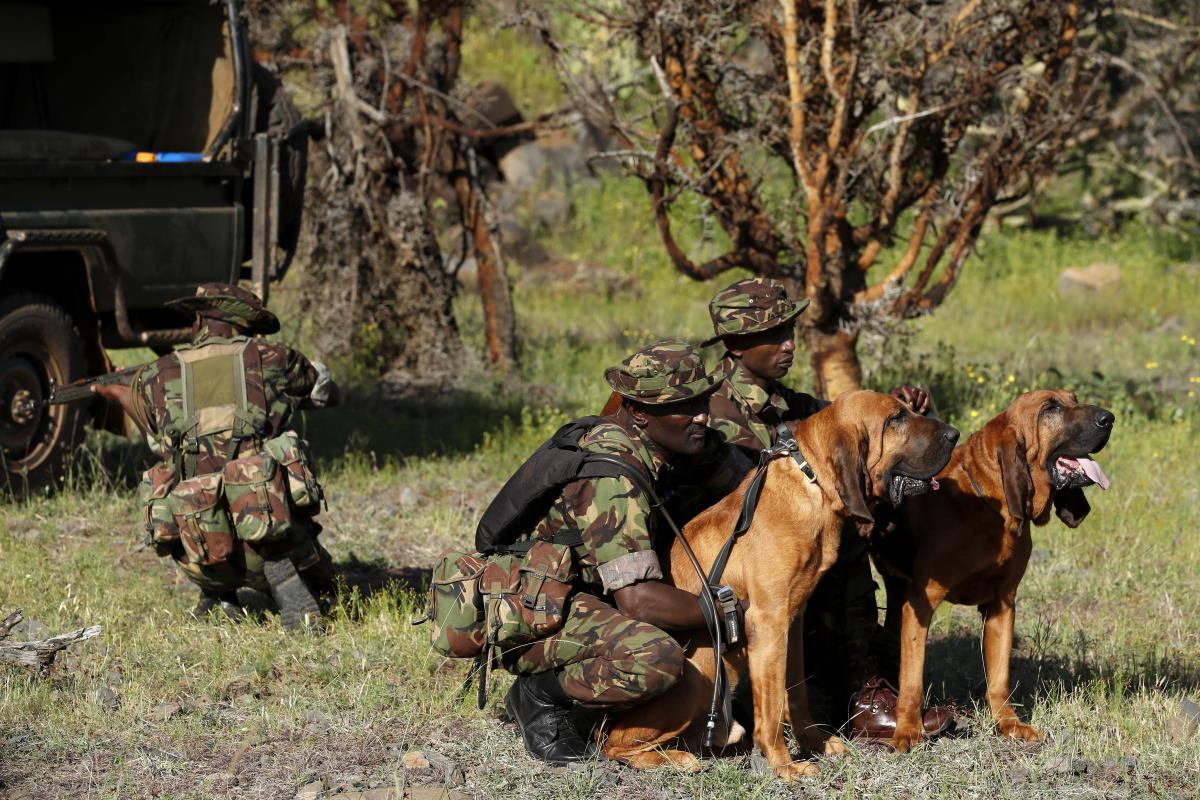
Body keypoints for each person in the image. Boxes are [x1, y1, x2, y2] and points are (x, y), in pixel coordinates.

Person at [702, 276, 951, 740]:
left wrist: (901, 420)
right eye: (773, 335)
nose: (789, 344)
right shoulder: (707, 418)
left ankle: (859, 682)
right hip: (731, 584)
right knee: (847, 531)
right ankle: (853, 690)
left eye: (791, 331)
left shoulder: (797, 406)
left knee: (868, 518)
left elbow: (857, 442)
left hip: (787, 584)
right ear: (736, 343)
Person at [502, 340, 750, 764]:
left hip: (585, 600)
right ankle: (541, 695)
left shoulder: (666, 442)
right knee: (655, 657)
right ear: (638, 412)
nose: (702, 417)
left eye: (704, 402)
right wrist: (737, 615)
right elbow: (640, 603)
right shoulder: (613, 478)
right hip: (540, 617)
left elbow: (755, 477)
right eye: (685, 407)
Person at [94, 282, 338, 631]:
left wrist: (117, 394)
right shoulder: (276, 358)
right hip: (275, 536)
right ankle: (283, 578)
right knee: (331, 590)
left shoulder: (157, 374)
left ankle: (216, 595)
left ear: (201, 323)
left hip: (201, 547)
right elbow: (319, 388)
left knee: (177, 472)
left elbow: (156, 440)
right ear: (243, 324)